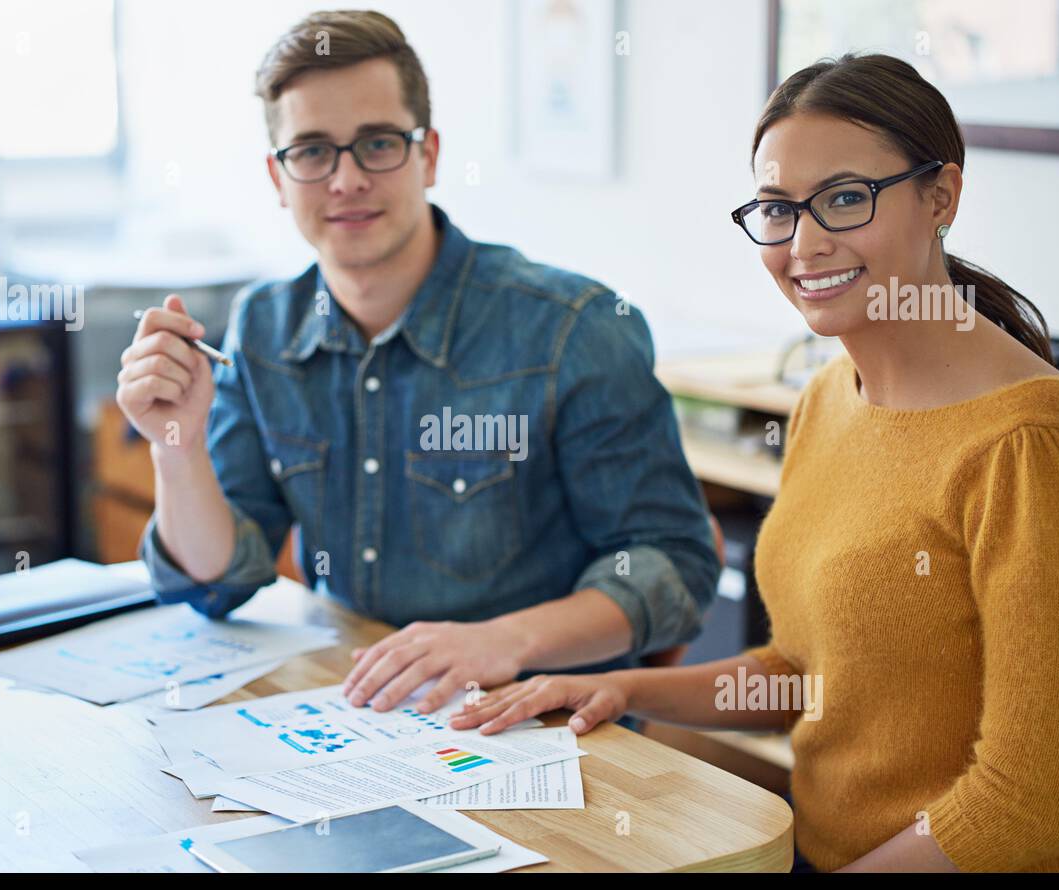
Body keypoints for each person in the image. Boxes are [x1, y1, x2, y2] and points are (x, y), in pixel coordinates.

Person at [452, 53, 1059, 873]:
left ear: (941, 196)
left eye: (845, 198)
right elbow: (807, 674)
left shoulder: (1039, 443)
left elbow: (1029, 805)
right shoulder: (828, 396)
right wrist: (628, 688)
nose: (804, 243)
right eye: (777, 208)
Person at [114, 10, 720, 718]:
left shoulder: (572, 329)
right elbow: (216, 584)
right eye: (311, 151)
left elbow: (674, 563)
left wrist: (503, 640)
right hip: (355, 711)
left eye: (377, 144)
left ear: (428, 155)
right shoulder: (264, 327)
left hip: (544, 726)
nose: (345, 180)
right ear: (279, 178)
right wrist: (175, 447)